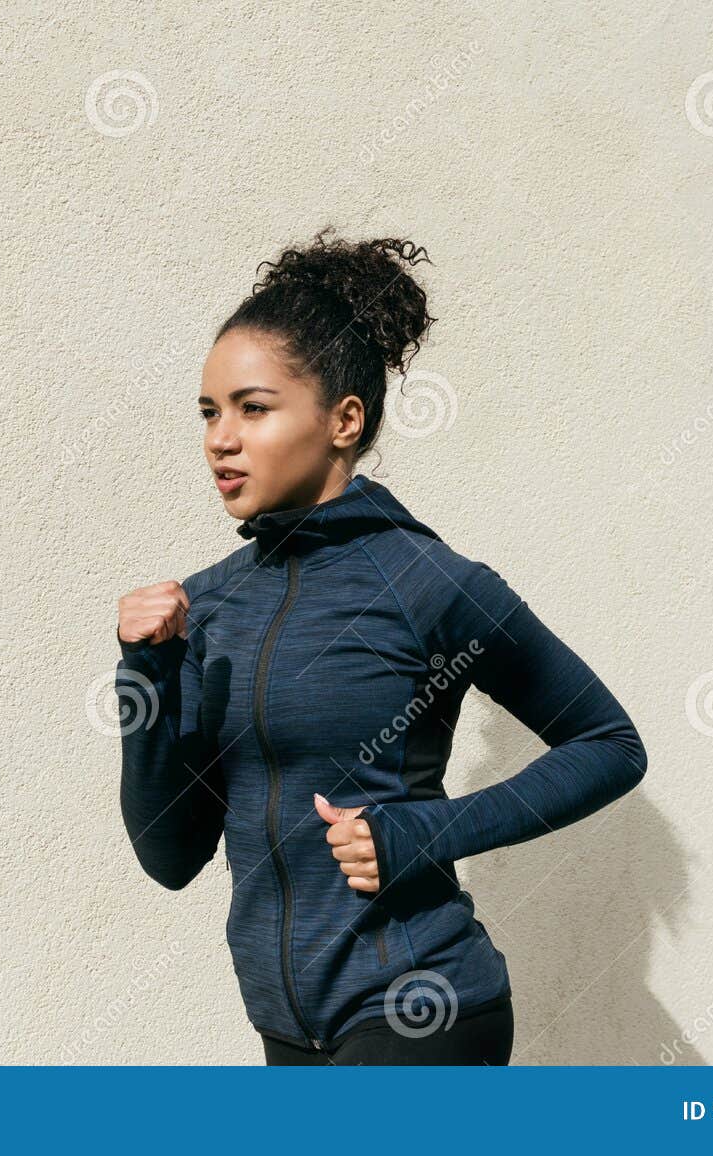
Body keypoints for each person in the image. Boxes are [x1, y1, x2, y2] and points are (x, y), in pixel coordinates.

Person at [114, 227, 648, 1066]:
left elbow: (610, 745)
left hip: (419, 1010)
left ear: (343, 419)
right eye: (210, 412)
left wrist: (421, 834)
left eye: (254, 409)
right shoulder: (207, 607)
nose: (221, 438)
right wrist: (143, 676)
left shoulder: (426, 583)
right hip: (288, 1032)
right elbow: (169, 856)